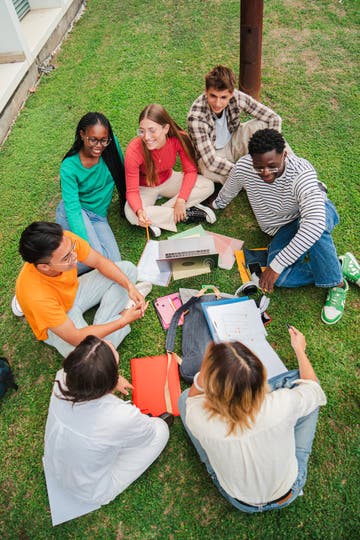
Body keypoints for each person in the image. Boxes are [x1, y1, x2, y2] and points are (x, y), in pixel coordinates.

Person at [211, 128, 359, 325]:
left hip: (314, 212)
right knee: (278, 279)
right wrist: (212, 207)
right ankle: (339, 265)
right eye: (259, 166)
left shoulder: (302, 173)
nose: (265, 173)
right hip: (284, 228)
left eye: (272, 166)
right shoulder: (244, 167)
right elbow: (228, 191)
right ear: (251, 159)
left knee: (316, 229)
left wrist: (277, 265)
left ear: (284, 155)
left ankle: (337, 284)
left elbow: (313, 224)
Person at [178, 326, 327, 512]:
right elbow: (314, 389)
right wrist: (299, 350)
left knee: (184, 399)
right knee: (306, 383)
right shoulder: (281, 404)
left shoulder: (200, 418)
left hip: (240, 500)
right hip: (288, 491)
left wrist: (204, 375)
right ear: (261, 380)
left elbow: (193, 396)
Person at [44, 336, 171, 509]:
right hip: (90, 490)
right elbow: (147, 436)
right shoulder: (122, 415)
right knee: (161, 430)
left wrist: (108, 382)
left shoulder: (63, 377)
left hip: (55, 465)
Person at [14, 221, 151, 357]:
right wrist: (122, 322)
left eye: (72, 248)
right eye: (67, 258)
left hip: (75, 291)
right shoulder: (36, 297)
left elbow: (99, 262)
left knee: (128, 270)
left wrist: (130, 287)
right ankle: (121, 315)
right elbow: (76, 337)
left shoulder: (64, 242)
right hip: (57, 322)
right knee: (91, 356)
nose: (74, 256)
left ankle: (105, 326)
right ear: (45, 267)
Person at [187, 64, 289, 185]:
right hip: (214, 153)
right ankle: (255, 183)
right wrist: (246, 171)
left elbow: (274, 118)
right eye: (213, 96)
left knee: (262, 125)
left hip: (234, 140)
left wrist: (273, 150)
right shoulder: (196, 117)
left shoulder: (237, 97)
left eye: (223, 97)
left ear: (231, 94)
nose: (218, 103)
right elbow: (211, 161)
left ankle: (291, 168)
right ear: (206, 92)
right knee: (206, 169)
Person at [124, 103, 215, 237]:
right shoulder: (134, 150)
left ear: (165, 128)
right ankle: (185, 214)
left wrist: (181, 200)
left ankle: (159, 217)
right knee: (131, 213)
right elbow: (132, 191)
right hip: (145, 188)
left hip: (169, 180)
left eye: (152, 130)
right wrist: (139, 212)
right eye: (141, 131)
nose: (146, 137)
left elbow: (190, 171)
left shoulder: (177, 138)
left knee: (208, 186)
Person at [56, 112, 125, 273]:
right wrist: (87, 248)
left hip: (98, 216)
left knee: (115, 262)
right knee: (93, 259)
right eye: (93, 139)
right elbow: (72, 209)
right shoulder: (69, 166)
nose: (99, 146)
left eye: (103, 140)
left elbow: (122, 170)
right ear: (82, 135)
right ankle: (54, 271)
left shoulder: (111, 146)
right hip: (76, 211)